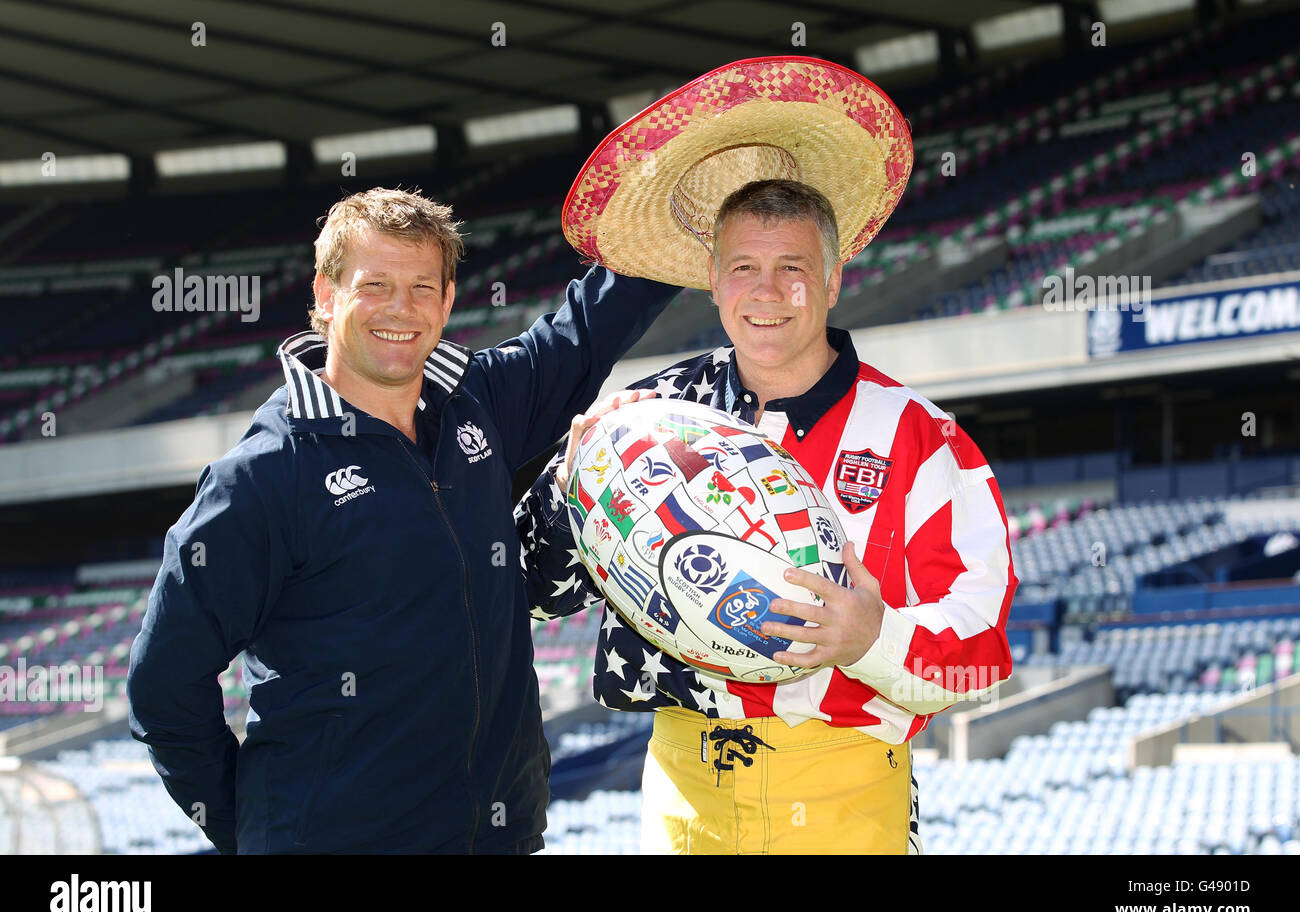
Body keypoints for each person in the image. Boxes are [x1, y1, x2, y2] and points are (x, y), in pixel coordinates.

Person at [515, 58, 1018, 854]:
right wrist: (570, 491)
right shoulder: (642, 419)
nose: (767, 291)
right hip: (681, 795)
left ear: (834, 278)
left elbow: (981, 658)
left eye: (793, 269)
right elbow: (533, 595)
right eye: (744, 268)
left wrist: (871, 639)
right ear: (713, 282)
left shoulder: (923, 441)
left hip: (845, 796)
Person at [127, 187, 680, 854]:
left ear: (448, 301)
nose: (402, 307)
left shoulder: (477, 403)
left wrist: (679, 209)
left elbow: (587, 330)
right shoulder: (263, 476)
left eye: (423, 285)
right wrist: (256, 828)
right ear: (325, 296)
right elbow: (163, 687)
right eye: (375, 284)